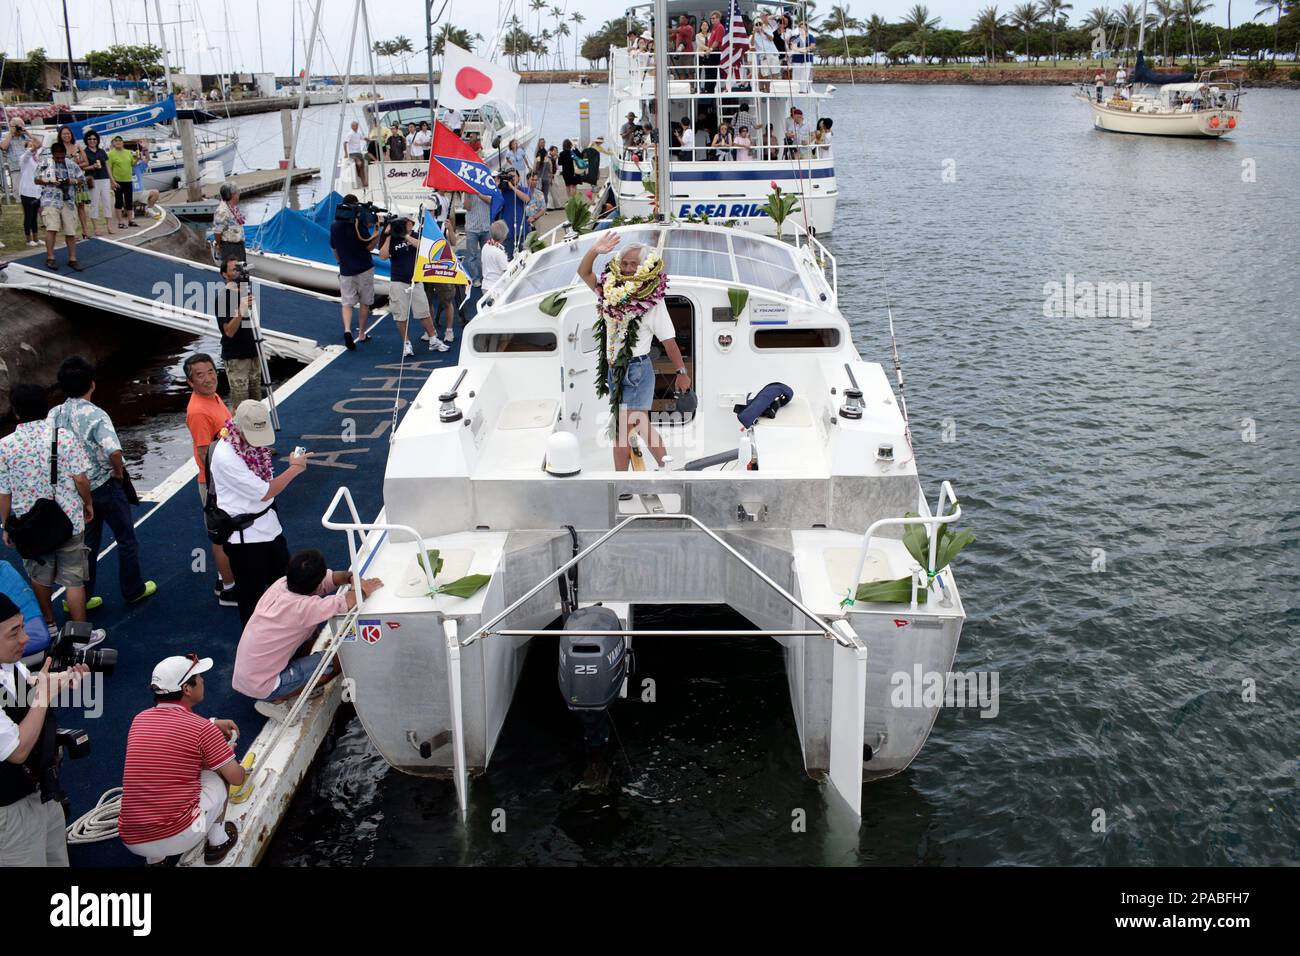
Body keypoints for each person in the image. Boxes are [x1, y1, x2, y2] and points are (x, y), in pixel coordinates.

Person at [0, 384, 104, 645]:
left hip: (29, 526)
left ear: (16, 413)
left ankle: (50, 627)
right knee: (74, 581)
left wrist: (6, 526)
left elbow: (4, 493)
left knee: (39, 578)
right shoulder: (63, 437)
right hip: (67, 519)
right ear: (46, 408)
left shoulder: (4, 446)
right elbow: (81, 478)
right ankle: (81, 637)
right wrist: (88, 503)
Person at [49, 357, 155, 611]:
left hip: (75, 490)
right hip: (105, 486)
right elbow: (113, 451)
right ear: (92, 384)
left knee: (86, 545)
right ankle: (133, 589)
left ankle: (82, 597)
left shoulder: (55, 414)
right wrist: (118, 472)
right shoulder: (96, 415)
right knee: (126, 538)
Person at [118, 654, 246, 865]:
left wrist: (212, 725)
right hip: (182, 835)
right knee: (217, 775)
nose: (203, 680)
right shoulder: (202, 730)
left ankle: (156, 860)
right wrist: (224, 751)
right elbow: (237, 777)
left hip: (132, 841)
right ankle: (218, 842)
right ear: (187, 689)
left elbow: (171, 733)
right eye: (199, 676)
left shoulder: (139, 720)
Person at [578, 234, 691, 471]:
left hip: (637, 369)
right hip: (615, 370)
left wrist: (681, 372)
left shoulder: (652, 301)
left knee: (635, 426)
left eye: (633, 264)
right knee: (626, 428)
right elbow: (584, 273)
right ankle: (632, 478)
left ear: (643, 267)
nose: (628, 268)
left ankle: (659, 471)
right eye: (624, 263)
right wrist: (595, 251)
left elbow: (668, 341)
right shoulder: (609, 292)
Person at [232, 549, 381, 717]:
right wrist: (366, 587)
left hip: (247, 675)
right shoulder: (306, 609)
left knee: (311, 631)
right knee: (340, 660)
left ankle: (296, 680)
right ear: (316, 585)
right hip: (264, 686)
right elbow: (352, 599)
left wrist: (351, 578)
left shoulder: (281, 584)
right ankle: (277, 699)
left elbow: (333, 578)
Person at [0, 593, 88, 867]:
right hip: (10, 811)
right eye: (14, 633)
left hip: (41, 790)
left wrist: (61, 679)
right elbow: (16, 749)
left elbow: (31, 687)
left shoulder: (9, 665)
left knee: (58, 860)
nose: (25, 639)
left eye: (23, 627)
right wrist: (43, 696)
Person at [208, 401, 309, 626]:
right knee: (252, 601)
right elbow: (266, 492)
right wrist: (295, 468)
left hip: (269, 529)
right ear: (239, 428)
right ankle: (255, 649)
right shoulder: (226, 457)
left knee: (287, 585)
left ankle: (289, 632)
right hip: (246, 542)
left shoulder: (246, 444)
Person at [183, 354, 237, 606]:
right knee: (223, 537)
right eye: (200, 375)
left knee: (228, 534)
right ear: (190, 381)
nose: (208, 378)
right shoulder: (198, 411)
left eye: (211, 371)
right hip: (216, 484)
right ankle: (229, 590)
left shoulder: (212, 398)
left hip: (222, 480)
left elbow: (223, 433)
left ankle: (222, 579)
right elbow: (206, 454)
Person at [379, 215, 441, 355]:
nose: (407, 225)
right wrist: (388, 235)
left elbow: (422, 246)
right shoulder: (390, 237)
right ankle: (406, 344)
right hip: (398, 281)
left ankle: (433, 339)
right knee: (400, 315)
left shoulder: (414, 235)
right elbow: (383, 256)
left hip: (415, 281)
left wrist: (405, 236)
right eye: (403, 223)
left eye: (409, 223)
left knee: (424, 312)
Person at [330, 194, 381, 348]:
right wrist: (377, 232)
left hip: (346, 269)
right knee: (365, 302)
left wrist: (340, 261)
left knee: (347, 303)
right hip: (364, 267)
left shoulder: (335, 225)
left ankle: (347, 330)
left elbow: (334, 248)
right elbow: (369, 247)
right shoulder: (359, 225)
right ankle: (361, 334)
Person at [213, 255, 262, 409]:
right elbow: (228, 332)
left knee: (256, 403)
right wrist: (240, 310)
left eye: (240, 268)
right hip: (236, 358)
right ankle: (238, 433)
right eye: (234, 269)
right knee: (241, 406)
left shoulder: (246, 292)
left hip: (253, 353)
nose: (238, 272)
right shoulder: (222, 298)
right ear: (224, 275)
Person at [36, 140, 87, 272]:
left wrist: (73, 181)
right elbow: (36, 179)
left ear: (65, 154)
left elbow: (82, 179)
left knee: (71, 230)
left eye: (62, 157)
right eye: (57, 157)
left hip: (68, 200)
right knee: (51, 228)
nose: (59, 159)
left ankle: (72, 259)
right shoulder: (45, 163)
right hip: (50, 199)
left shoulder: (71, 164)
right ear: (52, 154)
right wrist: (49, 180)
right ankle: (50, 257)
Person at [79, 131, 115, 238]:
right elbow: (81, 167)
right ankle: (96, 227)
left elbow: (107, 166)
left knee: (107, 202)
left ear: (97, 140)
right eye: (90, 139)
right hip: (92, 180)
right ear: (86, 140)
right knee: (94, 204)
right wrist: (92, 167)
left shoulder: (102, 151)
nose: (92, 141)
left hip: (104, 179)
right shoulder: (84, 152)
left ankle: (109, 225)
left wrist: (112, 180)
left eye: (94, 139)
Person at [16, 133, 42, 247]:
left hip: (36, 192)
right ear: (26, 148)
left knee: (34, 217)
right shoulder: (24, 158)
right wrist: (26, 132)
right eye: (29, 145)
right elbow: (38, 144)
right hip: (26, 192)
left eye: (33, 145)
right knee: (28, 216)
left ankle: (36, 238)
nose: (32, 147)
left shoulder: (36, 159)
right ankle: (28, 239)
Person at [462, 189, 492, 288]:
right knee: (472, 256)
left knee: (487, 254)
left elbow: (490, 201)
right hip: (472, 228)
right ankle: (475, 278)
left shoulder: (486, 188)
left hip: (485, 227)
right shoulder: (466, 192)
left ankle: (487, 277)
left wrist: (477, 193)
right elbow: (467, 207)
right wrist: (467, 193)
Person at [107, 135, 139, 230]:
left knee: (129, 201)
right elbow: (109, 168)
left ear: (123, 142)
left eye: (120, 140)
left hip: (128, 180)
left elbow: (133, 164)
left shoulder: (128, 152)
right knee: (119, 201)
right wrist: (112, 181)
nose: (118, 142)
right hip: (117, 181)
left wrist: (137, 158)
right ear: (113, 143)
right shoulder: (111, 154)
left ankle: (130, 221)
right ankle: (120, 222)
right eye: (116, 141)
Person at [500, 169, 532, 258]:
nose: (512, 178)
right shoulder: (503, 192)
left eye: (513, 176)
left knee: (525, 257)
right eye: (509, 177)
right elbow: (493, 202)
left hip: (522, 230)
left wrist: (513, 187)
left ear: (519, 177)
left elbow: (527, 199)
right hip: (508, 232)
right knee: (509, 258)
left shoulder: (524, 190)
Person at [212, 183, 246, 265]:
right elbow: (217, 232)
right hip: (230, 247)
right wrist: (220, 245)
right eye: (237, 193)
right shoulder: (222, 211)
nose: (239, 195)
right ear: (233, 195)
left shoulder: (233, 208)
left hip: (239, 246)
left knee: (242, 271)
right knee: (234, 272)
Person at [480, 220, 510, 289]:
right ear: (504, 235)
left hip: (485, 285)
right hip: (497, 288)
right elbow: (506, 270)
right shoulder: (499, 252)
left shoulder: (486, 246)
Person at [791, 21, 817, 93]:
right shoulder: (797, 37)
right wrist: (800, 50)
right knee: (796, 73)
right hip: (797, 58)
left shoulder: (810, 36)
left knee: (805, 73)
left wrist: (806, 49)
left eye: (803, 27)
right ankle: (795, 89)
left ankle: (804, 89)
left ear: (806, 28)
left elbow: (812, 45)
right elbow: (793, 46)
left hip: (807, 58)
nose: (802, 29)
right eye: (801, 27)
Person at [344, 120, 368, 188]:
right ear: (352, 126)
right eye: (355, 126)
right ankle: (358, 174)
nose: (357, 127)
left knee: (362, 166)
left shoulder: (358, 133)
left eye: (357, 126)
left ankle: (364, 182)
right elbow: (345, 143)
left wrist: (368, 139)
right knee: (359, 163)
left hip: (359, 152)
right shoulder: (350, 134)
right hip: (352, 153)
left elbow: (363, 138)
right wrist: (346, 153)